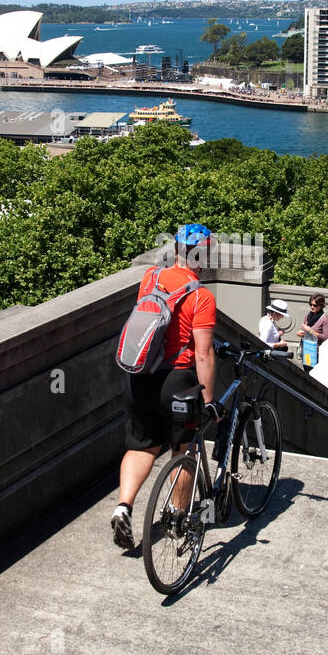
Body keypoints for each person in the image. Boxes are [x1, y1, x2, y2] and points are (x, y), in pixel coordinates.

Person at [111, 224, 218, 551]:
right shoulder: (201, 296)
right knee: (184, 449)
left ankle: (123, 507)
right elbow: (203, 352)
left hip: (139, 376)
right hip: (176, 381)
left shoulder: (151, 279)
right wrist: (209, 400)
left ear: (176, 250)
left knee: (141, 446)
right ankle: (175, 516)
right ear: (203, 254)